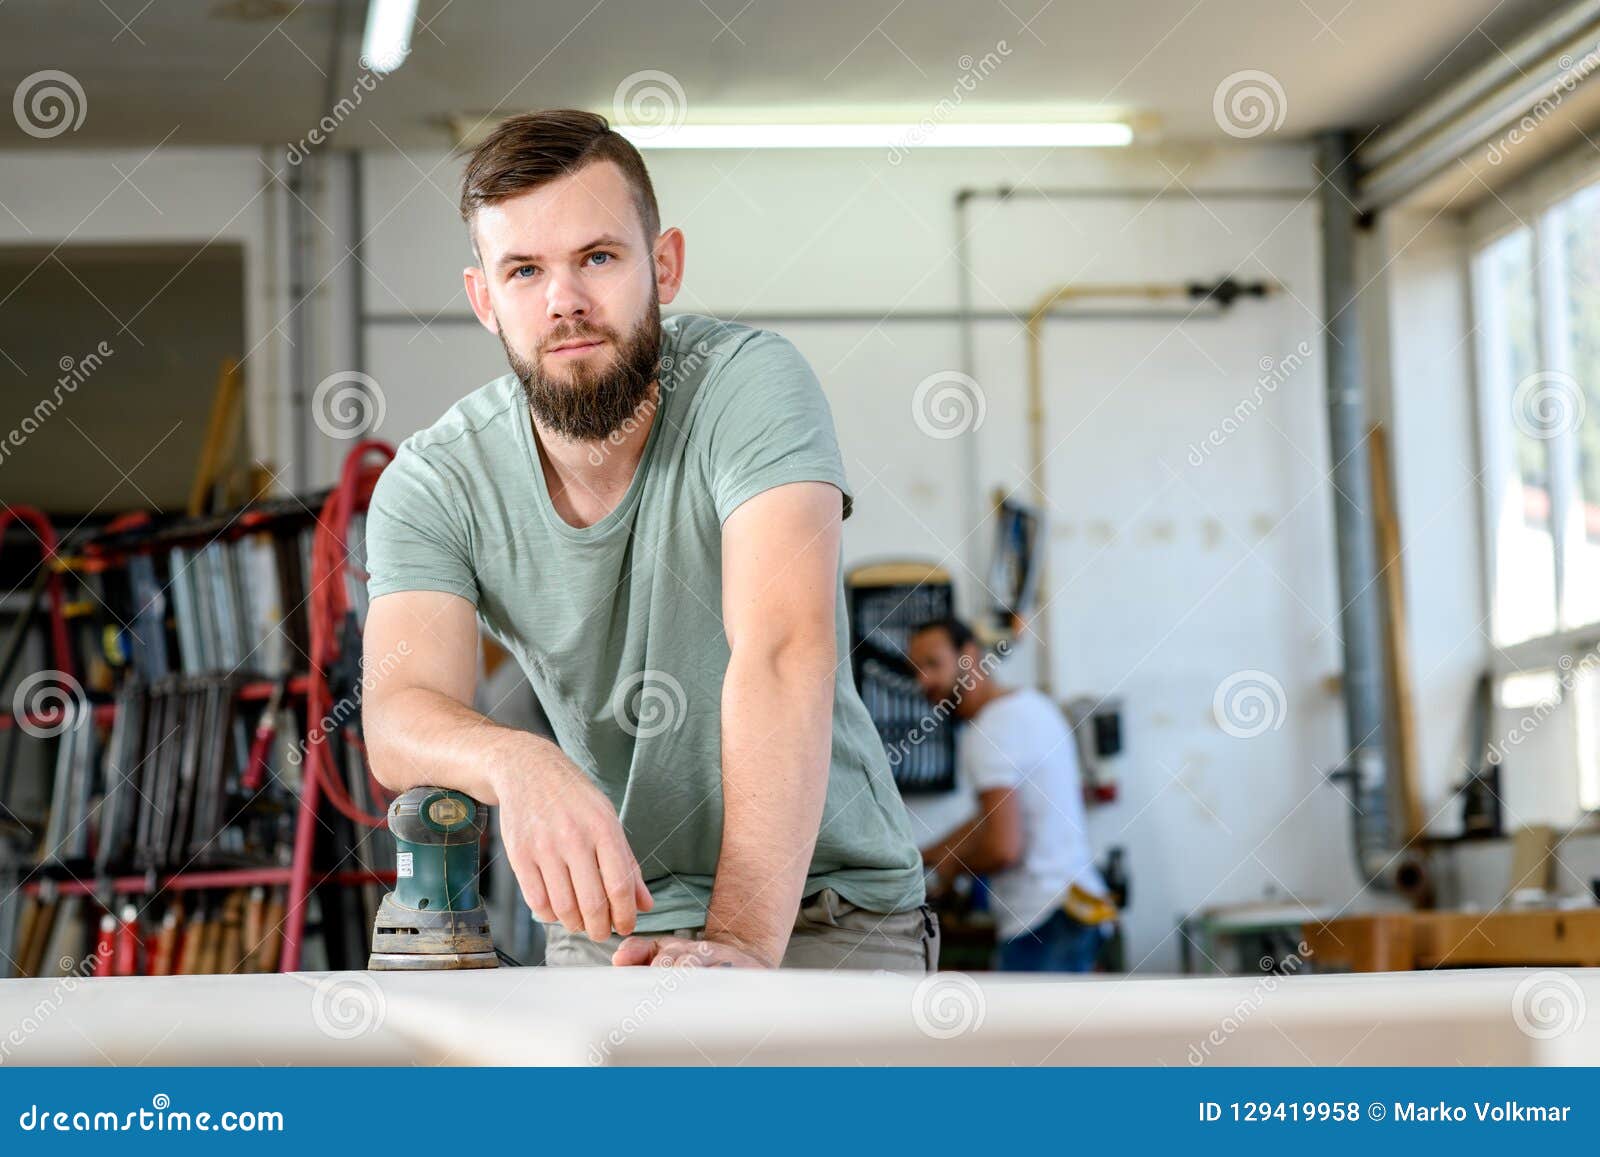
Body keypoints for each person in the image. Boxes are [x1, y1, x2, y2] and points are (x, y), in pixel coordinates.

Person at [359, 110, 935, 972]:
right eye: (524, 270)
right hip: (613, 929)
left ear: (663, 264)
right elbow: (399, 713)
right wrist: (516, 763)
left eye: (598, 256)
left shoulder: (749, 388)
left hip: (827, 906)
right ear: (485, 299)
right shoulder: (434, 482)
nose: (566, 300)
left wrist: (739, 940)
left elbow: (782, 651)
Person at [906, 616, 1107, 972]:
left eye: (933, 664)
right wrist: (925, 856)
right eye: (917, 670)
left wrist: (951, 867)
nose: (924, 681)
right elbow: (992, 817)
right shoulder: (1032, 706)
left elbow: (1002, 847)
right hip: (1077, 907)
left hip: (1044, 920)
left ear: (968, 656)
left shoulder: (989, 730)